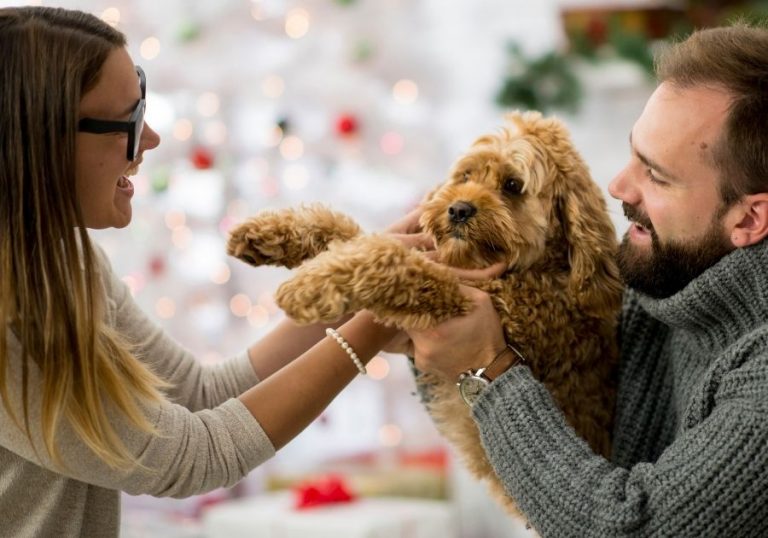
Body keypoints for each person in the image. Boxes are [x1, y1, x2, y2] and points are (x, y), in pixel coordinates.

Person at [0, 7, 505, 537]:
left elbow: (196, 393)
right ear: (44, 141)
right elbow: (191, 456)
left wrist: (362, 275)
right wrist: (380, 314)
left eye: (143, 104)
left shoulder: (70, 261)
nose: (150, 138)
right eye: (129, 122)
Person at [405, 23, 768, 536]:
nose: (619, 186)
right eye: (633, 154)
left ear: (749, 218)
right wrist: (437, 331)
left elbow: (630, 528)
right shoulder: (665, 275)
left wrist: (488, 369)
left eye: (656, 175)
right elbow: (547, 456)